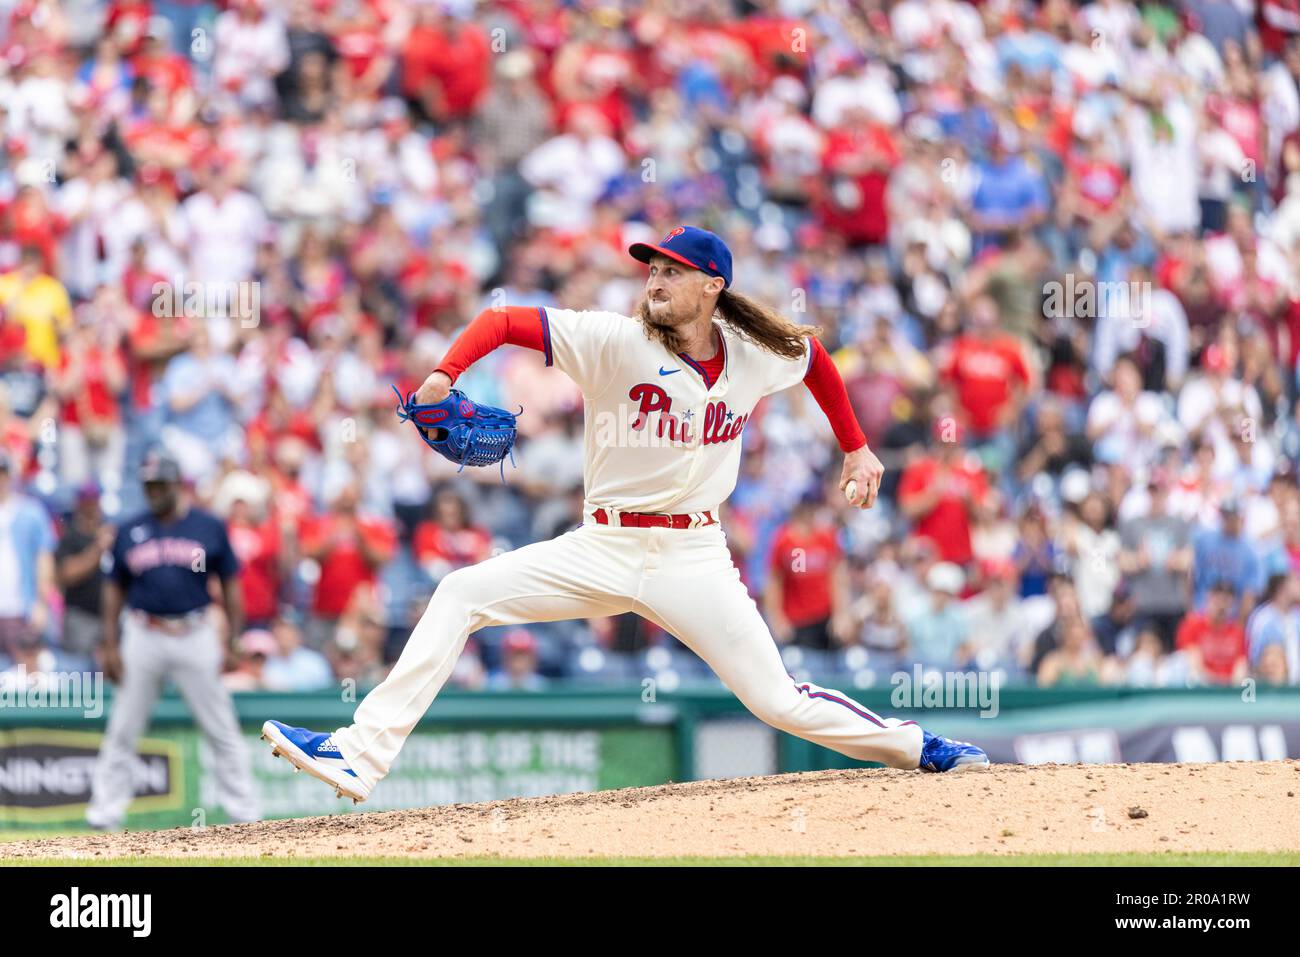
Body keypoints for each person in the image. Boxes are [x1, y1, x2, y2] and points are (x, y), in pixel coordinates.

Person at [263, 225, 989, 802]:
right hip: (601, 543)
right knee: (460, 592)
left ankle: (917, 745)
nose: (656, 279)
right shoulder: (615, 340)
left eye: (671, 270)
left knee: (778, 701)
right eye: (652, 268)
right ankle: (360, 756)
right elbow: (505, 319)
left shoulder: (752, 353)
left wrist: (857, 447)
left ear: (712, 285)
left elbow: (817, 359)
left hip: (695, 558)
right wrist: (443, 374)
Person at [86, 449, 259, 830]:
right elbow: (114, 589)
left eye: (159, 484)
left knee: (221, 728)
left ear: (177, 483)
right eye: (148, 485)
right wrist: (111, 644)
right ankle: (104, 815)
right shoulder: (130, 529)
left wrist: (233, 639)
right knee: (123, 729)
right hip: (144, 632)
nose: (153, 491)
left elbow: (231, 584)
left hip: (195, 631)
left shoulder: (207, 526)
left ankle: (245, 815)